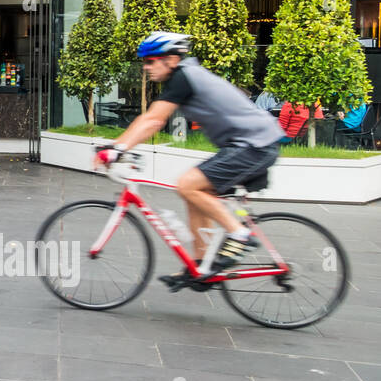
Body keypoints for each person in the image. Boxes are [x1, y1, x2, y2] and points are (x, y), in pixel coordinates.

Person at [96, 32, 285, 291]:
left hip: (255, 144)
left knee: (188, 184)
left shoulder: (184, 77)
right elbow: (150, 117)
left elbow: (154, 121)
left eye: (151, 61)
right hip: (247, 144)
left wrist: (117, 150)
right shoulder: (182, 77)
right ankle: (201, 266)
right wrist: (116, 146)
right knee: (194, 192)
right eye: (145, 61)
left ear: (172, 59)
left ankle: (240, 234)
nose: (146, 67)